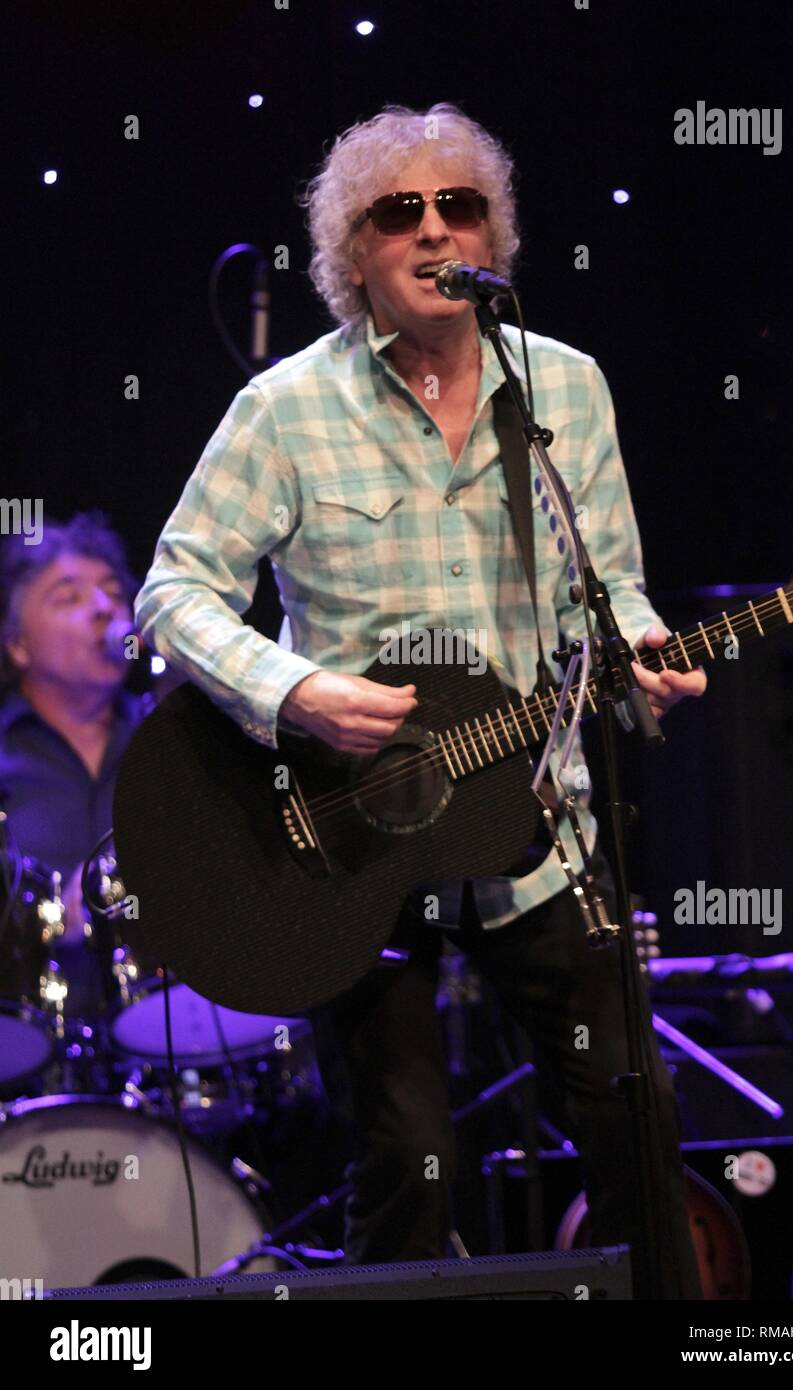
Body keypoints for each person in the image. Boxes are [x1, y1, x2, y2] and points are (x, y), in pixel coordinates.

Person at [135, 103, 708, 1296]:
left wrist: (646, 650)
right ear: (353, 255)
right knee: (415, 1161)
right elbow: (174, 590)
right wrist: (293, 692)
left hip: (539, 832)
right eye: (402, 213)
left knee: (635, 1120)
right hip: (353, 851)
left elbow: (613, 591)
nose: (437, 229)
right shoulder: (285, 409)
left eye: (463, 206)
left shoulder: (564, 388)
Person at [0, 512, 147, 1037]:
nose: (104, 609)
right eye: (69, 597)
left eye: (112, 592)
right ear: (17, 644)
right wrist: (40, 925)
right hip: (32, 1062)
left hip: (176, 1044)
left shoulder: (171, 744)